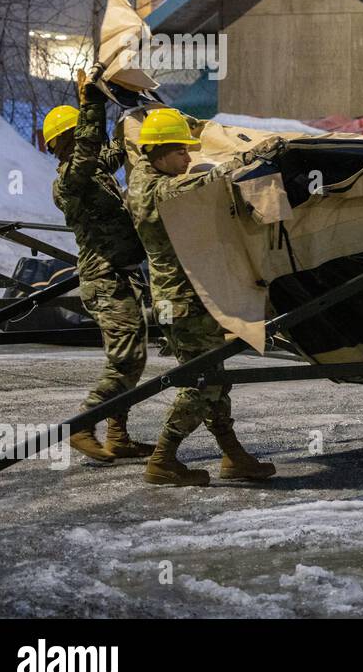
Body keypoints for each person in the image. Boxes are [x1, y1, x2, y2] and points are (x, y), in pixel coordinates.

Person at [126, 107, 284, 485]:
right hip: (180, 303)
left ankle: (233, 456)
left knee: (214, 380)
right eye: (181, 151)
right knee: (201, 384)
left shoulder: (147, 176)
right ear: (159, 152)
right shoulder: (151, 190)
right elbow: (194, 187)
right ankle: (163, 458)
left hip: (187, 299)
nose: (187, 157)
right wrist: (245, 160)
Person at [43, 70, 155, 463]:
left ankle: (118, 435)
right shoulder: (70, 181)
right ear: (65, 143)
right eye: (78, 137)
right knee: (126, 358)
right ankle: (81, 424)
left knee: (131, 356)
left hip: (121, 275)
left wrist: (134, 112)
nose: (85, 142)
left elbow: (113, 151)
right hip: (104, 279)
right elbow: (92, 150)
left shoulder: (93, 172)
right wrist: (92, 103)